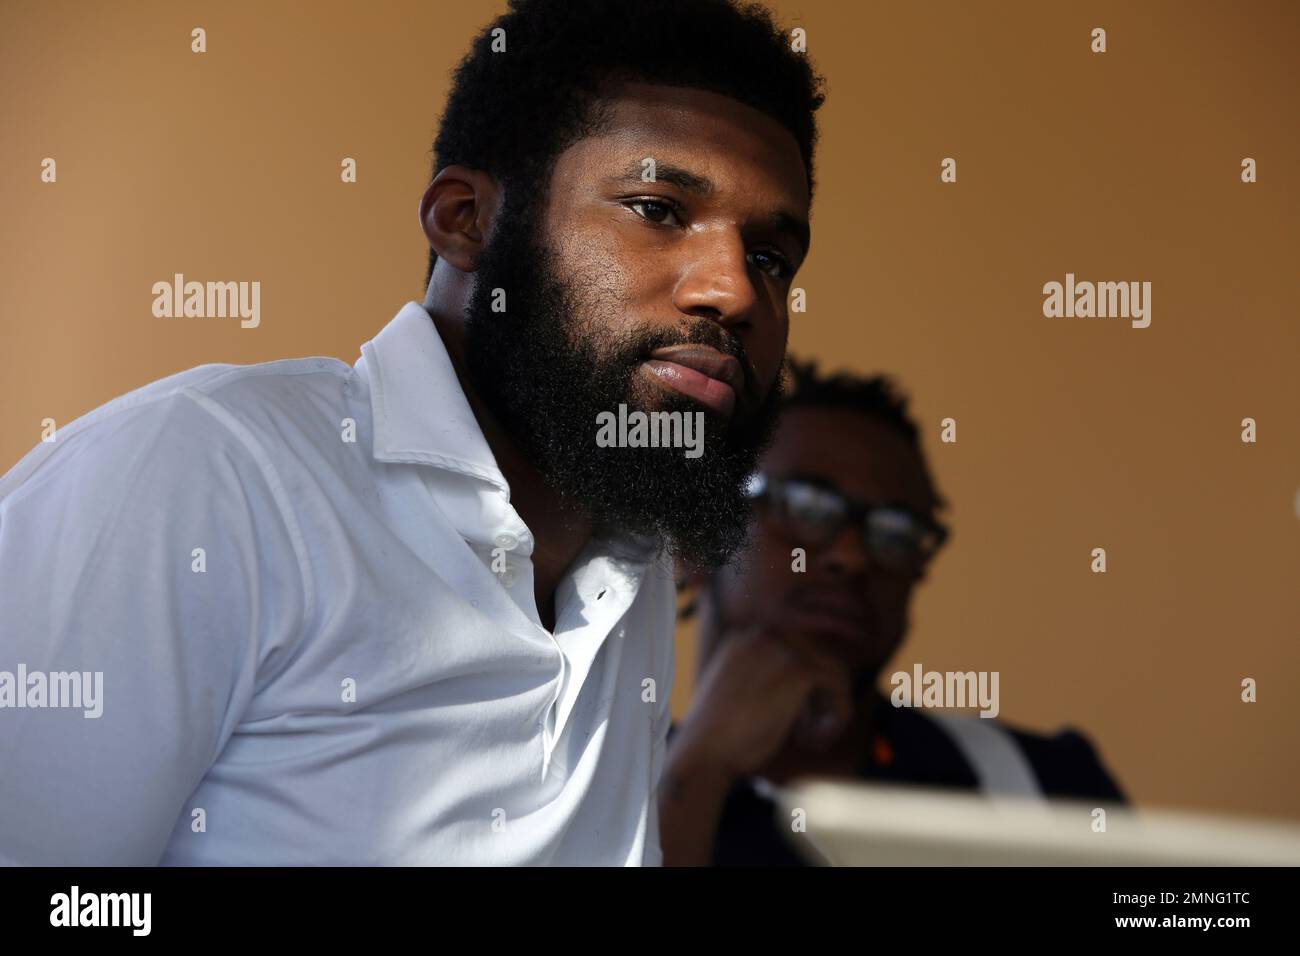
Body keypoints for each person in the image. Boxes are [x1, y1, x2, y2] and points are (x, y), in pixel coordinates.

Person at [0, 0, 824, 865]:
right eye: (657, 209)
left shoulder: (629, 552)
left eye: (771, 258)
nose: (733, 290)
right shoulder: (203, 478)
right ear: (466, 220)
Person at [659, 359, 1126, 866]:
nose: (854, 557)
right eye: (808, 505)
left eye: (897, 532)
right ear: (699, 542)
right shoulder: (590, 781)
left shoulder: (1041, 787)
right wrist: (699, 771)